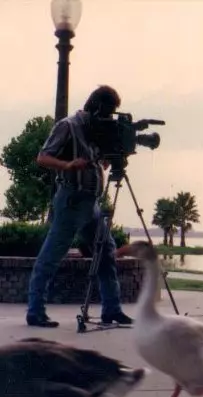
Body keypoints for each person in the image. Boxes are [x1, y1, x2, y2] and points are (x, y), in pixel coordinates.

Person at [26, 85, 133, 328]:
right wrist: (67, 165)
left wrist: (108, 158)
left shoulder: (98, 130)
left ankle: (111, 310)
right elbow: (42, 157)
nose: (109, 116)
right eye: (108, 110)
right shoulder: (68, 125)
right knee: (52, 255)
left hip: (92, 203)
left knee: (106, 252)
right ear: (97, 106)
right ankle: (35, 311)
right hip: (71, 200)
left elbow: (99, 156)